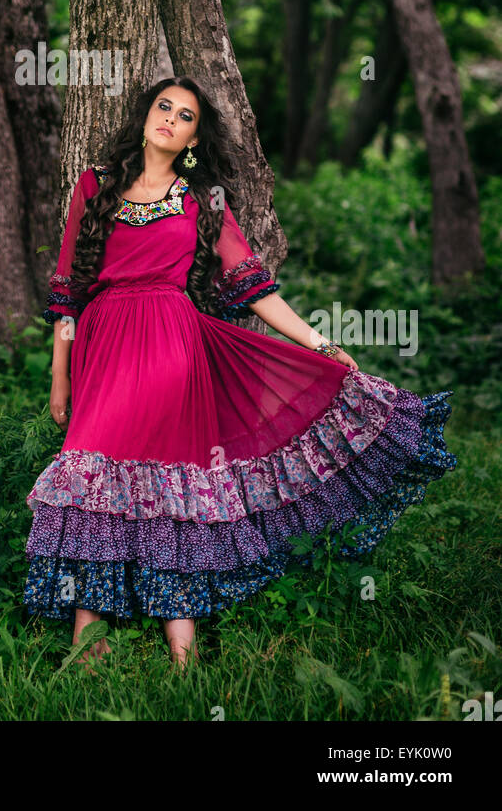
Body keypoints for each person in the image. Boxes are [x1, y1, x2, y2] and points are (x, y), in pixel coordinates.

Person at [23, 76, 457, 669]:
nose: (170, 119)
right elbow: (68, 287)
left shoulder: (204, 202)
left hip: (171, 344)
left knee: (171, 486)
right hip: (102, 347)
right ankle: (90, 644)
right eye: (163, 107)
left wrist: (319, 340)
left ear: (194, 138)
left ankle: (182, 652)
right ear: (146, 115)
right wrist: (60, 375)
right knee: (91, 481)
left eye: (185, 116)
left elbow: (255, 287)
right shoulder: (95, 186)